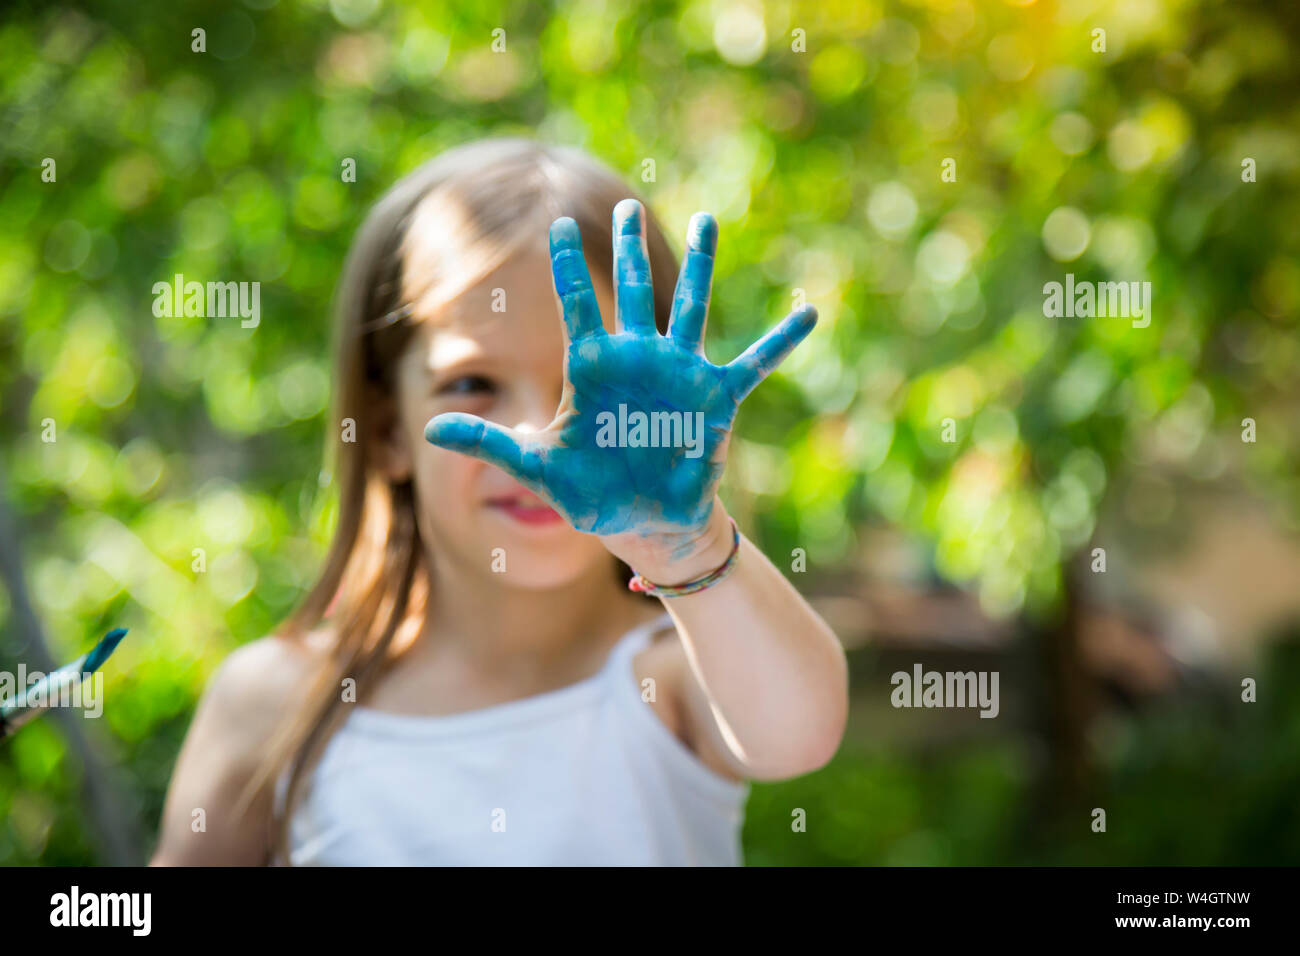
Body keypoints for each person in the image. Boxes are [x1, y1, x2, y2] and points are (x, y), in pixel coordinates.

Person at [150, 138, 847, 866]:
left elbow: (799, 734)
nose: (540, 436)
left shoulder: (673, 674)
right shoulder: (276, 700)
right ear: (387, 430)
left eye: (588, 392)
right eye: (472, 385)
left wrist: (690, 545)